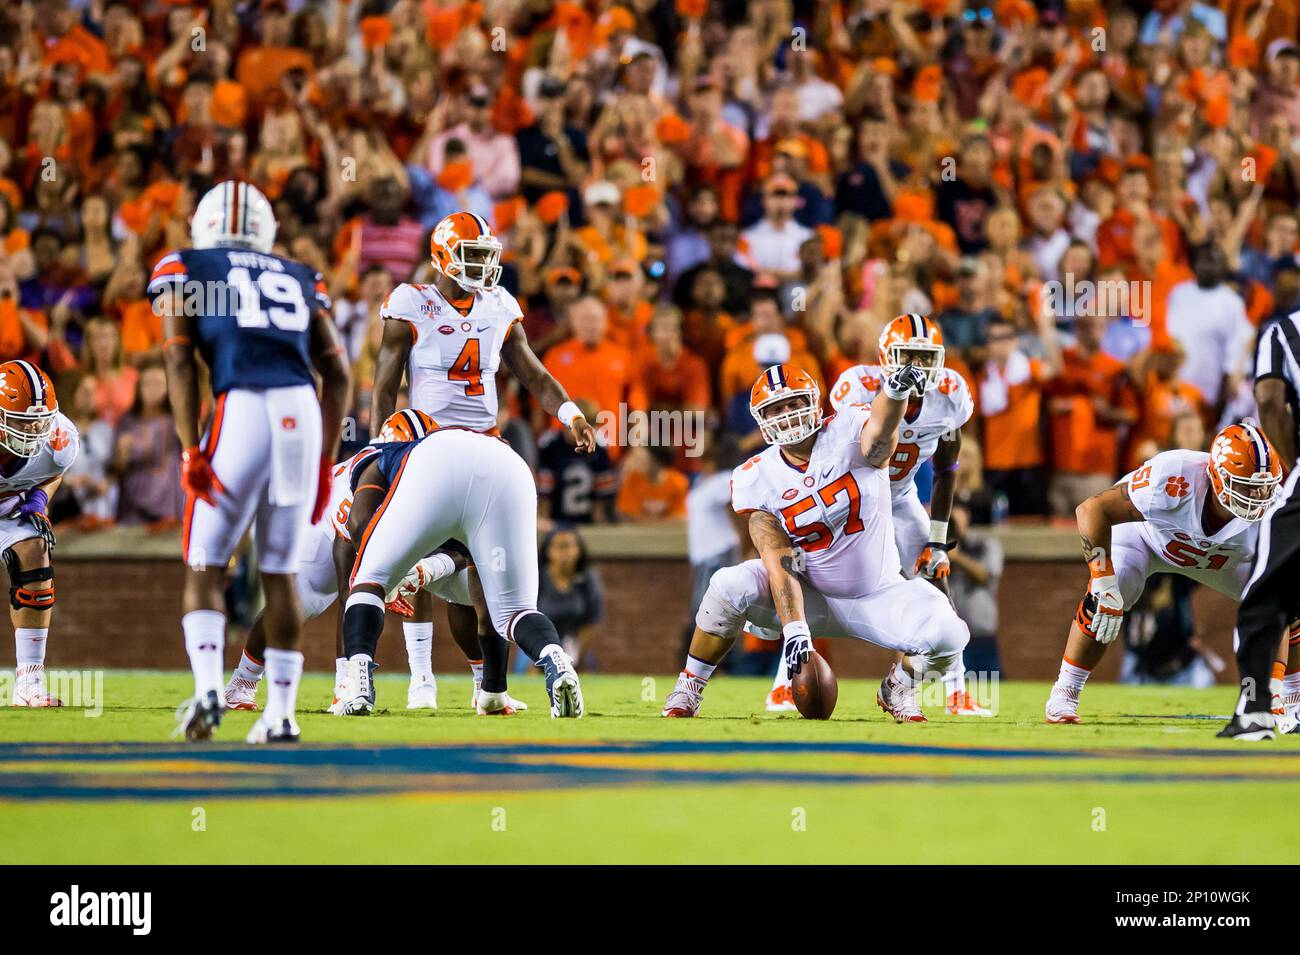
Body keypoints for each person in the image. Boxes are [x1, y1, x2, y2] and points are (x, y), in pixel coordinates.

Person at [153, 180, 351, 743]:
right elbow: (336, 373)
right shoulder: (297, 274)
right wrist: (324, 461)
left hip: (239, 405)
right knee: (280, 572)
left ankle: (210, 689)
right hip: (300, 412)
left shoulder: (184, 265)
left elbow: (179, 361)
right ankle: (281, 715)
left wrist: (191, 446)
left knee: (205, 562)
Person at [662, 362, 971, 722]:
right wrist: (794, 628)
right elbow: (776, 556)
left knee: (950, 632)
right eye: (776, 409)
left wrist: (895, 392)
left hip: (878, 592)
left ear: (813, 402)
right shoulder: (755, 476)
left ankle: (899, 687)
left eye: (794, 404)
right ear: (761, 419)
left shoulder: (850, 428)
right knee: (728, 584)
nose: (788, 415)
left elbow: (883, 433)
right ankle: (690, 685)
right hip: (807, 593)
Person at [223, 409, 527, 716]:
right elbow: (350, 584)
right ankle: (245, 682)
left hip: (363, 530)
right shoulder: (367, 481)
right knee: (307, 598)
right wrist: (346, 678)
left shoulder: (427, 482)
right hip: (322, 531)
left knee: (466, 587)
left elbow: (465, 540)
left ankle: (485, 685)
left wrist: (428, 570)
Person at [1045, 423, 1291, 726]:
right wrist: (1102, 579)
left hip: (1223, 560)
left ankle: (1284, 698)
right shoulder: (1174, 475)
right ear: (1217, 476)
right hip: (1148, 540)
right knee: (1110, 595)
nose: (1258, 496)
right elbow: (1091, 510)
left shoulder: (1278, 506)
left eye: (1264, 486)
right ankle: (1065, 692)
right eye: (1246, 486)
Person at [340, 427, 585, 719]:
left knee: (369, 579)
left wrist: (389, 577)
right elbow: (478, 574)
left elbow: (358, 526)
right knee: (513, 610)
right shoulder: (464, 442)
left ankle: (358, 685)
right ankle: (553, 659)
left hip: (436, 467)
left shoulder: (381, 456)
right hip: (509, 469)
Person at [823, 313, 988, 716]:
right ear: (886, 356)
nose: (917, 367)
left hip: (899, 495)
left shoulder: (949, 396)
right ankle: (782, 682)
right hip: (852, 499)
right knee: (813, 579)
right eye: (908, 356)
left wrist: (937, 541)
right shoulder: (858, 387)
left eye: (925, 357)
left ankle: (954, 689)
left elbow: (948, 466)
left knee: (935, 577)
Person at [1222, 304, 1300, 739]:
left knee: (1267, 595)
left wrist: (1292, 469)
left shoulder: (1283, 332)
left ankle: (1255, 709)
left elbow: (1270, 401)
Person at [0, 361, 79, 706]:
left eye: (39, 420)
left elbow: (52, 469)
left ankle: (29, 681)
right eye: (22, 421)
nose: (33, 429)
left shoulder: (59, 440)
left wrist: (38, 499)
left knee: (35, 552)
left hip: (7, 507)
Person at [537, 526, 604, 668]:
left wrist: (577, 657)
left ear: (579, 550)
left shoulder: (587, 580)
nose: (565, 552)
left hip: (576, 645)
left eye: (570, 546)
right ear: (548, 550)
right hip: (536, 645)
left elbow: (592, 621)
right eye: (560, 546)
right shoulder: (537, 579)